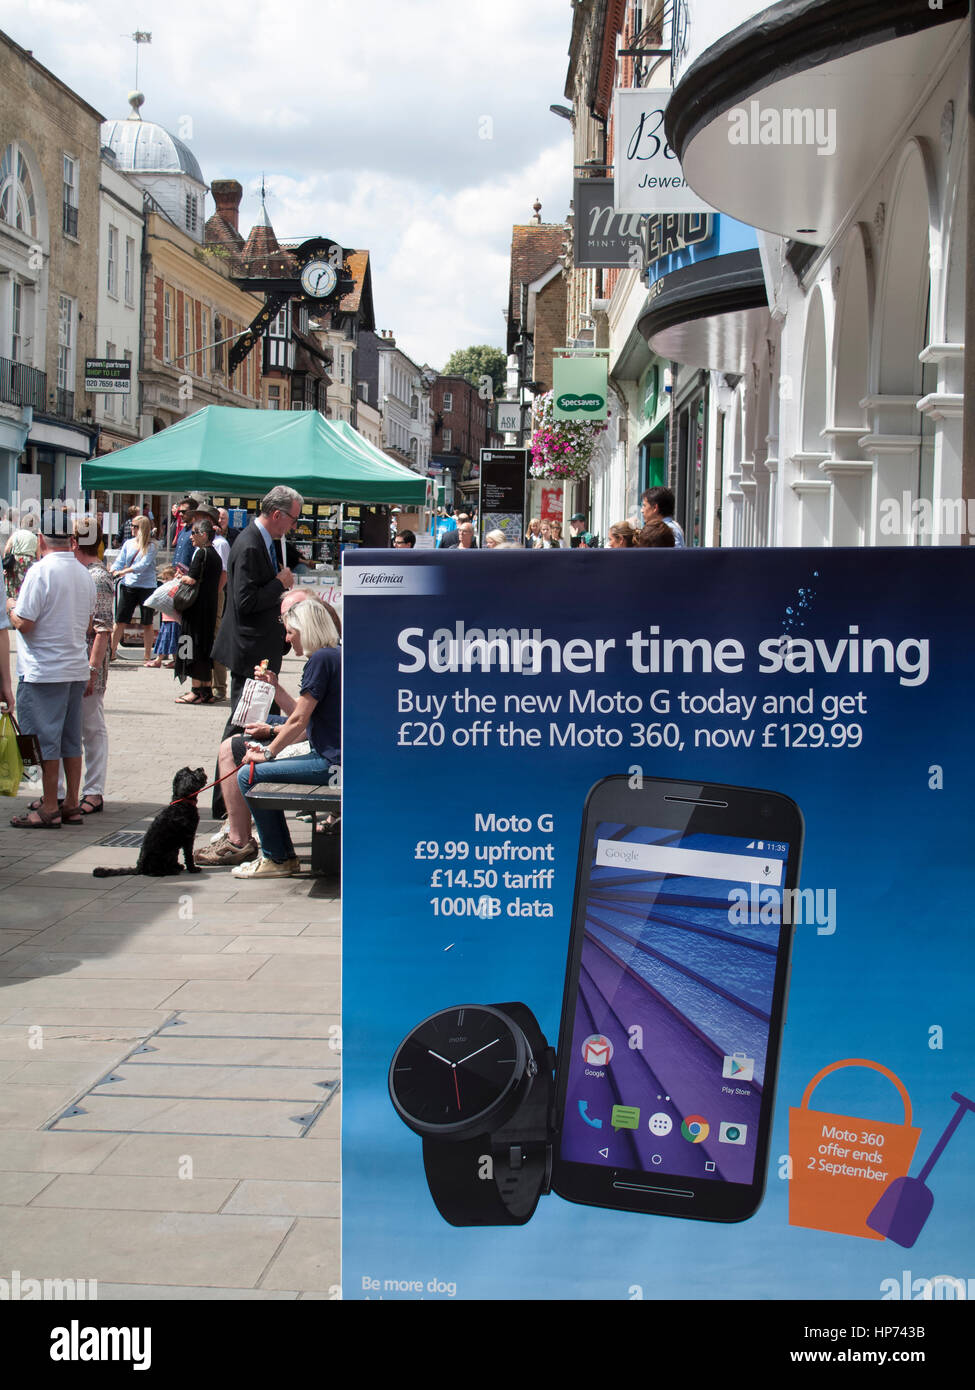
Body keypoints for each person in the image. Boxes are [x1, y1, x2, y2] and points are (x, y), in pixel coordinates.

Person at [195, 599, 340, 875]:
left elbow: (299, 719)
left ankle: (277, 857)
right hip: (333, 757)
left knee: (249, 774)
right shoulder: (332, 655)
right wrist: (276, 688)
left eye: (290, 632)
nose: (287, 638)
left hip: (331, 762)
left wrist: (268, 752)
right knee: (254, 768)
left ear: (305, 630)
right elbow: (303, 713)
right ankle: (280, 855)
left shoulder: (320, 660)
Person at [209, 486, 298, 816]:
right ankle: (225, 804)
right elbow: (245, 602)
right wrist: (280, 583)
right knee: (241, 727)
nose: (293, 525)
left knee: (252, 726)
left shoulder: (262, 541)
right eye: (293, 518)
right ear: (277, 514)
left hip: (262, 647)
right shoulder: (248, 544)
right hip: (250, 651)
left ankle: (241, 799)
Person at [5, 508, 95, 828]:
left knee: (41, 740)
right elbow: (87, 625)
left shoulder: (40, 572)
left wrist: (11, 608)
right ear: (71, 540)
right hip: (73, 667)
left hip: (43, 670)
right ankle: (71, 801)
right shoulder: (84, 573)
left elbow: (25, 624)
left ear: (41, 539)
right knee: (71, 738)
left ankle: (48, 805)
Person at [51, 517, 113, 814]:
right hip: (76, 663)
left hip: (89, 664)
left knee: (91, 727)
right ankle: (64, 791)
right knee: (74, 728)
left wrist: (92, 669)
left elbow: (102, 629)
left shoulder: (97, 576)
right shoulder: (84, 572)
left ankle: (94, 790)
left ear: (76, 542)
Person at [174, 518, 223, 704]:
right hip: (208, 608)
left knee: (192, 646)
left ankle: (195, 690)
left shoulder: (201, 553)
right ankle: (206, 690)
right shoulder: (215, 555)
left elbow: (193, 579)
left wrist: (181, 577)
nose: (191, 537)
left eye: (194, 533)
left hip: (196, 609)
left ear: (203, 535)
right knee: (204, 648)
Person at [110, 515, 158, 663]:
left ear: (142, 528)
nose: (132, 528)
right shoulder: (128, 543)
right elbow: (120, 561)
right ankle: (111, 652)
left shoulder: (152, 546)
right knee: (120, 620)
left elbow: (143, 565)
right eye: (131, 525)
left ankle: (147, 655)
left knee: (147, 622)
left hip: (147, 586)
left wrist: (124, 571)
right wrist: (112, 570)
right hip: (129, 585)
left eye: (135, 526)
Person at [211, 508, 231, 700]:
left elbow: (224, 573)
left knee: (216, 638)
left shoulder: (221, 543)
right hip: (206, 596)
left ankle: (219, 686)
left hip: (217, 595)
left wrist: (214, 594)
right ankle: (206, 684)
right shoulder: (208, 542)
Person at [146, 565, 180, 667]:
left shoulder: (174, 588)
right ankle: (169, 660)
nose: (165, 581)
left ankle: (159, 660)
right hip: (167, 619)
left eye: (167, 579)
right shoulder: (166, 588)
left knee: (170, 640)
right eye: (163, 579)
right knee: (168, 640)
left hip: (172, 619)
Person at [3, 525, 39, 601]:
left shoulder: (15, 534)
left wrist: (5, 564)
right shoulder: (35, 537)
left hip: (15, 561)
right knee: (26, 586)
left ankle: (12, 604)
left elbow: (7, 549)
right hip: (29, 562)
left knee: (12, 585)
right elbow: (38, 556)